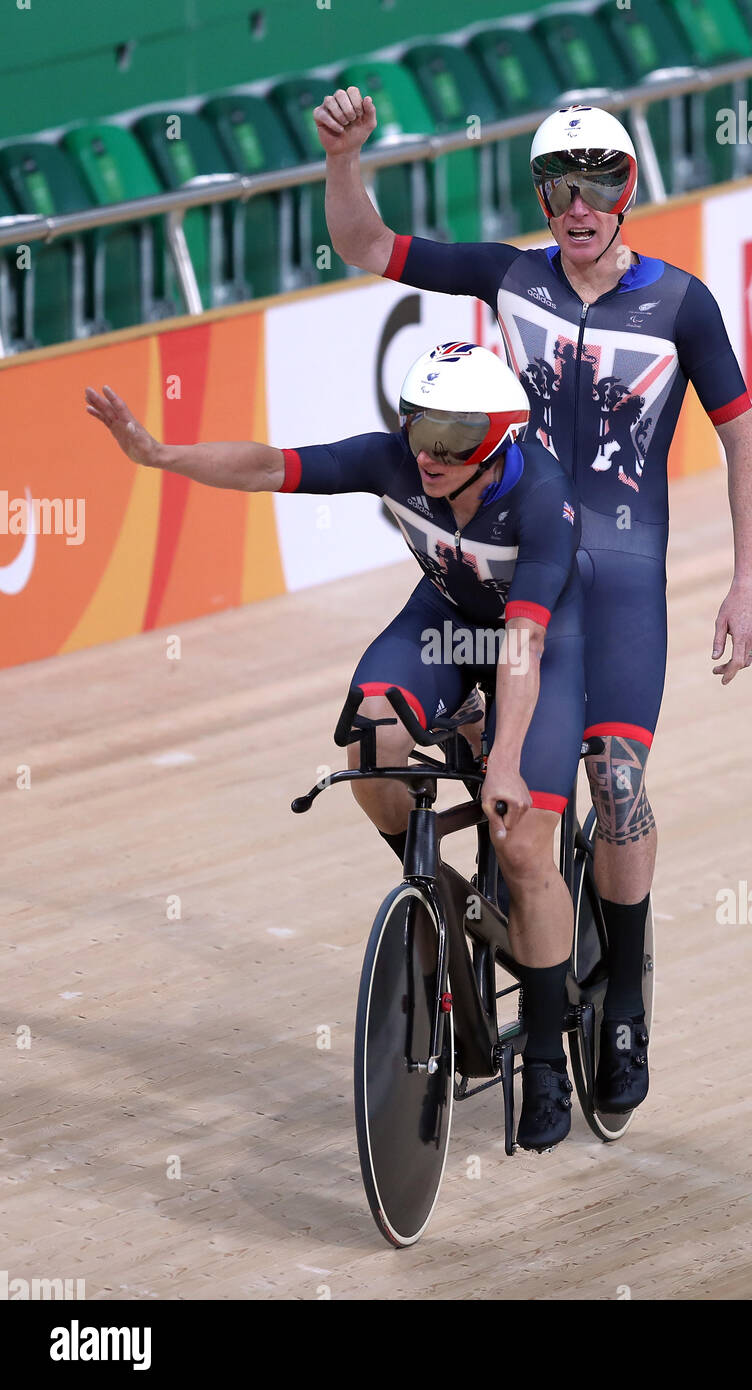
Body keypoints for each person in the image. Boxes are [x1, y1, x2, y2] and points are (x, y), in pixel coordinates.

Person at [314, 93, 752, 1112]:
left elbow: (741, 436)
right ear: (539, 195)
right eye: (557, 185)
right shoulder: (504, 274)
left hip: (613, 586)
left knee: (615, 782)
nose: (577, 204)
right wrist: (346, 159)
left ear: (627, 189)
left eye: (597, 181)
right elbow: (364, 244)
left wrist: (745, 583)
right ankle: (459, 904)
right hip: (512, 565)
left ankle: (620, 999)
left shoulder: (680, 305)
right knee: (399, 748)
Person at [84, 342, 587, 1151]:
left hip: (543, 644)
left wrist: (503, 759)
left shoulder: (543, 499)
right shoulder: (399, 460)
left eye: (455, 436)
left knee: (526, 848)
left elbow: (523, 645)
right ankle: (441, 892)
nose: (429, 451)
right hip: (450, 624)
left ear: (496, 441)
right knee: (372, 739)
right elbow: (270, 467)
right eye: (421, 425)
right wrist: (158, 453)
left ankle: (551, 1053)